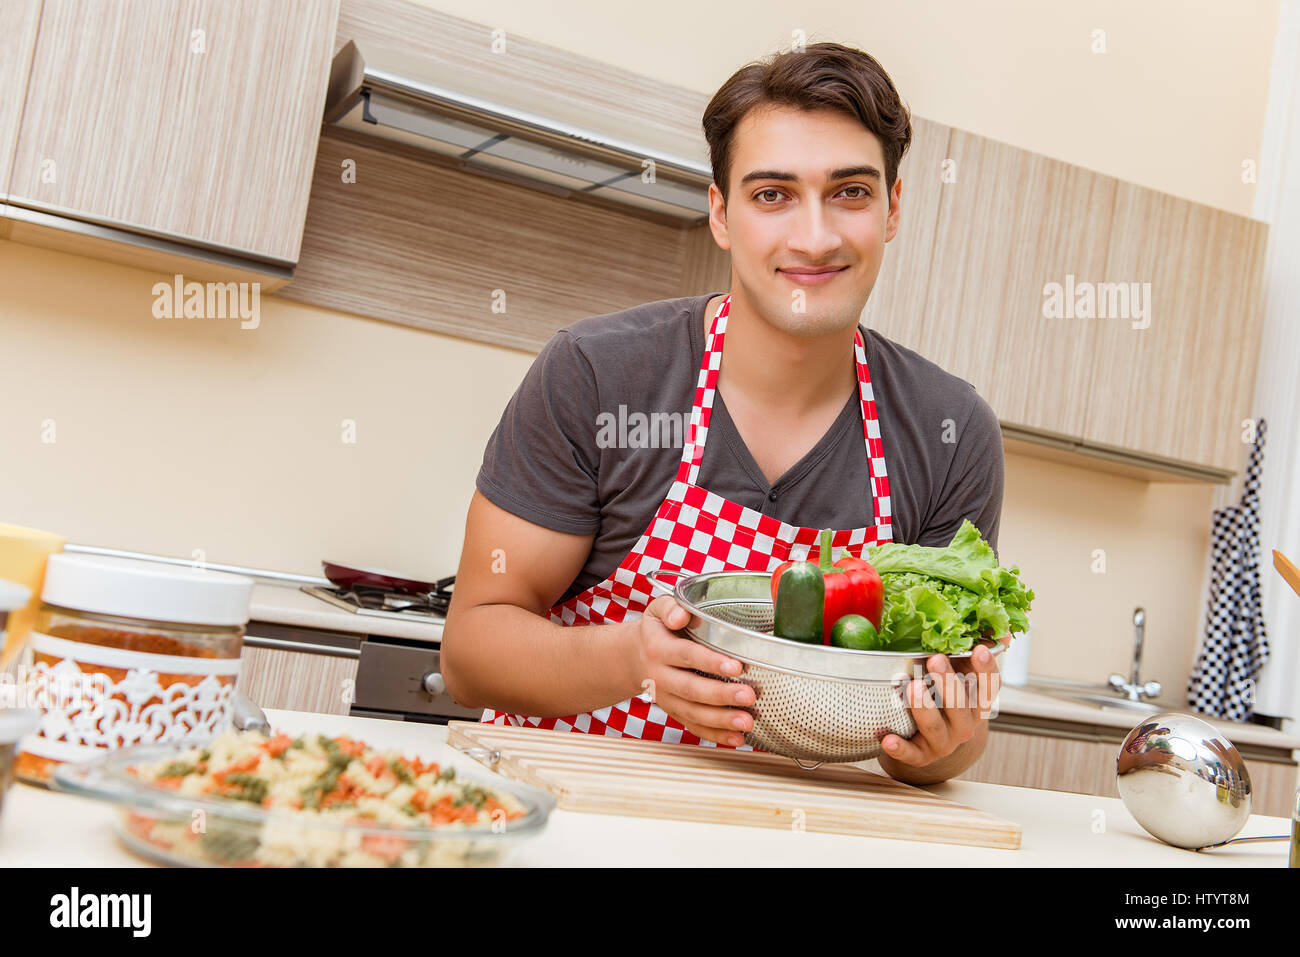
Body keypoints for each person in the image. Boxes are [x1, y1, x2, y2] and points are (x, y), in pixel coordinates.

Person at [442, 41, 1007, 785]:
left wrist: (947, 740)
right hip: (570, 813)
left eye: (851, 192)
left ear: (893, 209)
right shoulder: (599, 374)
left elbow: (952, 726)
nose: (815, 235)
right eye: (773, 194)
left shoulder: (952, 431)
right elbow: (471, 650)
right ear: (721, 213)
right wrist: (636, 658)